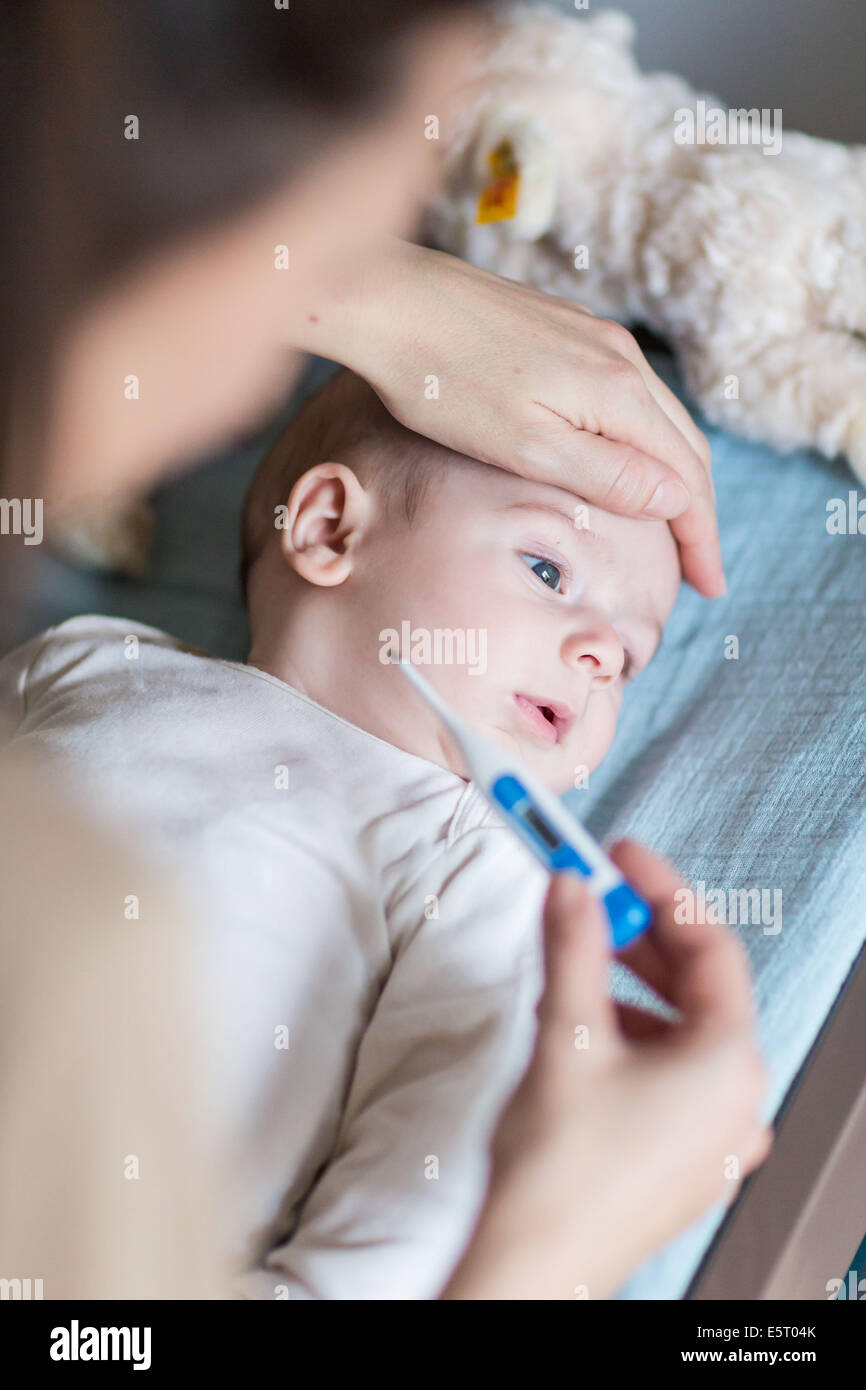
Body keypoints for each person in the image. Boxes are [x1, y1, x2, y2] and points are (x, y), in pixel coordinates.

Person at [0, 0, 767, 1300]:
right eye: (544, 568)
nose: (594, 653)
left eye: (628, 660)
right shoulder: (87, 652)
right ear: (327, 525)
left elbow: (431, 1171)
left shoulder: (471, 865)